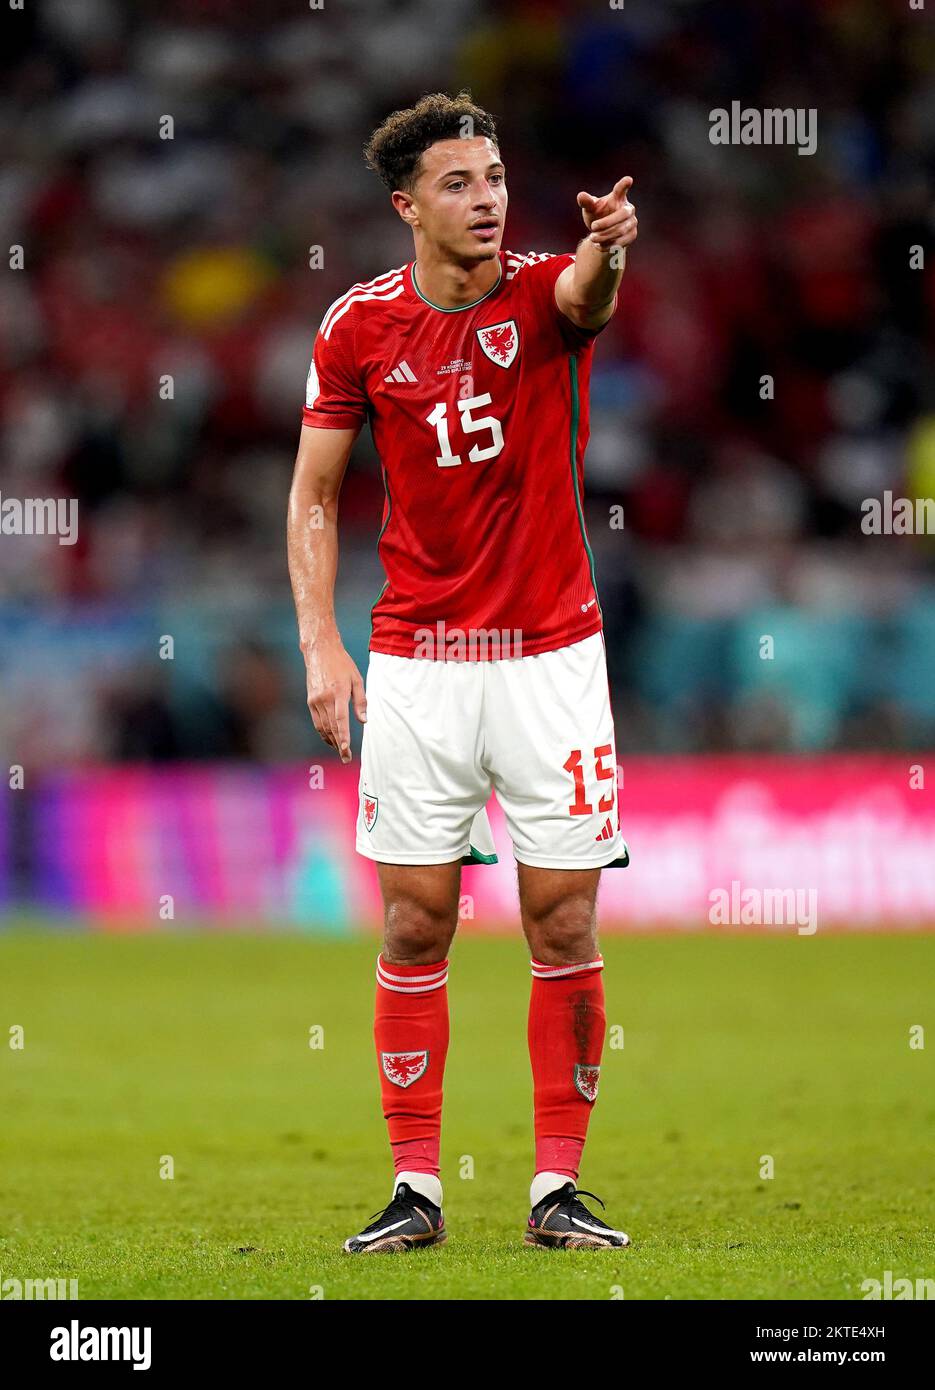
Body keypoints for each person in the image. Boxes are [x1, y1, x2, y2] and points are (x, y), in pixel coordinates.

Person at [287, 90, 636, 1253]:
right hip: (420, 661)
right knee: (415, 920)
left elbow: (588, 295)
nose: (485, 198)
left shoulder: (544, 293)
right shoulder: (355, 329)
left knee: (562, 912)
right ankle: (415, 1189)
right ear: (406, 206)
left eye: (492, 177)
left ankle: (555, 1187)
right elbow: (315, 495)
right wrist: (320, 642)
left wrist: (600, 247)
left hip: (550, 655)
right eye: (456, 183)